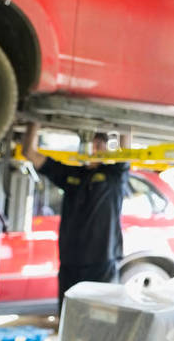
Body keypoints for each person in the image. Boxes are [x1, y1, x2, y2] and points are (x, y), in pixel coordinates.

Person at [21, 123, 130, 311]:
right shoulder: (70, 175)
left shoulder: (115, 175)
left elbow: (126, 143)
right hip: (70, 264)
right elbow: (30, 153)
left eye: (98, 145)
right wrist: (34, 121)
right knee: (68, 317)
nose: (93, 150)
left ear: (106, 150)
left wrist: (123, 119)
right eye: (90, 145)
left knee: (101, 320)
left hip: (101, 264)